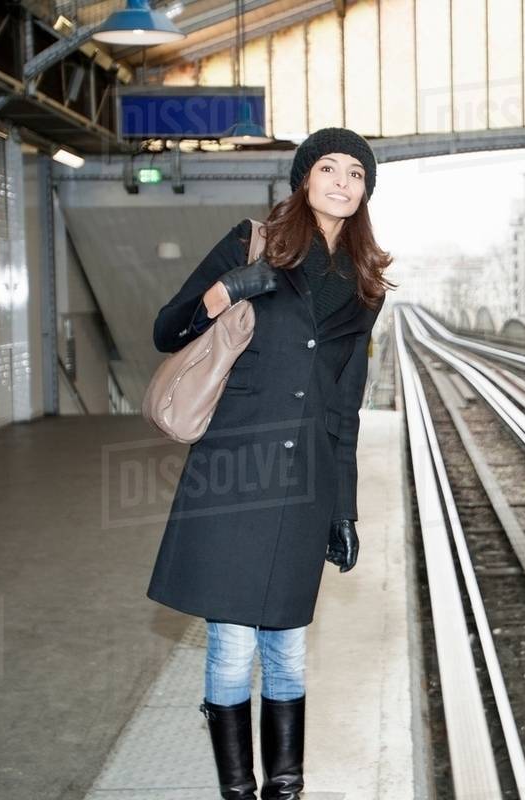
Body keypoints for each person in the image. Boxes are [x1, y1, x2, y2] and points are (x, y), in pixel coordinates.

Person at [146, 127, 394, 800]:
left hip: (305, 480)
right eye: (330, 168)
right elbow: (168, 330)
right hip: (234, 471)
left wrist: (343, 509)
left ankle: (285, 789)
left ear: (366, 190)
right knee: (232, 644)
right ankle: (238, 791)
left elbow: (346, 406)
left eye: (357, 174)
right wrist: (229, 290)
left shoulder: (366, 285)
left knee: (286, 646)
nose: (343, 181)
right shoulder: (252, 243)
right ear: (304, 176)